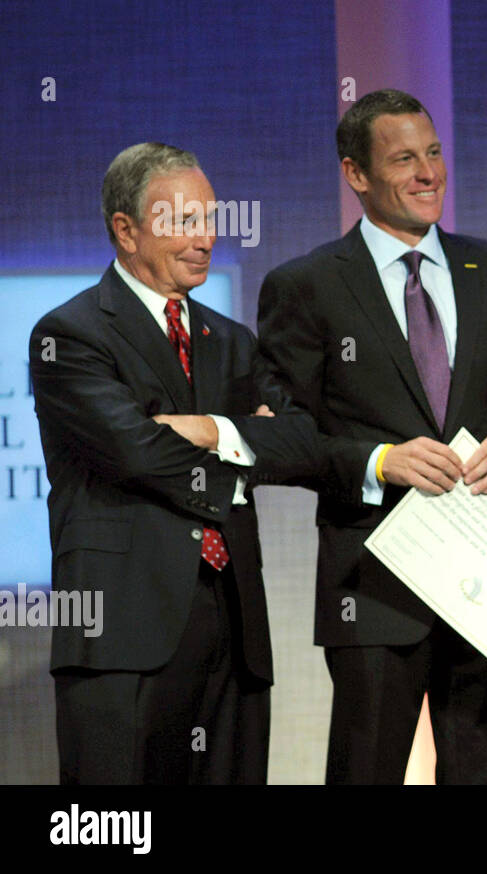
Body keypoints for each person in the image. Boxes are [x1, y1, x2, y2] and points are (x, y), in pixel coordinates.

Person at [257, 89, 487, 784]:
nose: (428, 173)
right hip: (374, 582)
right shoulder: (305, 286)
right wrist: (379, 461)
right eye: (403, 159)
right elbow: (282, 440)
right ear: (356, 174)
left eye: (433, 153)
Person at [30, 143, 321, 783]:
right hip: (123, 629)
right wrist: (246, 444)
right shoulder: (70, 334)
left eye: (210, 220)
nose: (205, 238)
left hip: (235, 626)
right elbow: (136, 453)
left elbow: (305, 443)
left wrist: (206, 428)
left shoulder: (233, 341)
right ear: (126, 229)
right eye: (183, 222)